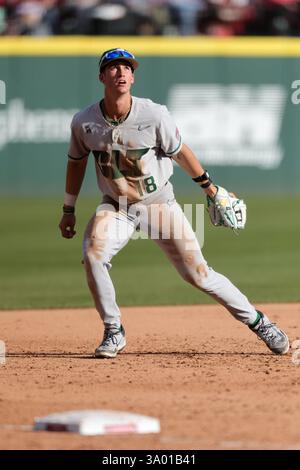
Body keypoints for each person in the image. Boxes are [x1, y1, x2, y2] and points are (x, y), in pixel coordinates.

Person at [59, 47, 289, 359]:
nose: (121, 73)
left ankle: (260, 323)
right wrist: (68, 209)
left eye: (127, 67)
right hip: (115, 206)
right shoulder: (84, 122)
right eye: (113, 68)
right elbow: (76, 163)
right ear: (102, 76)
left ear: (134, 76)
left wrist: (209, 188)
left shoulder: (154, 114)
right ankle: (114, 330)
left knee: (199, 275)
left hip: (159, 204)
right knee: (94, 255)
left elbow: (180, 152)